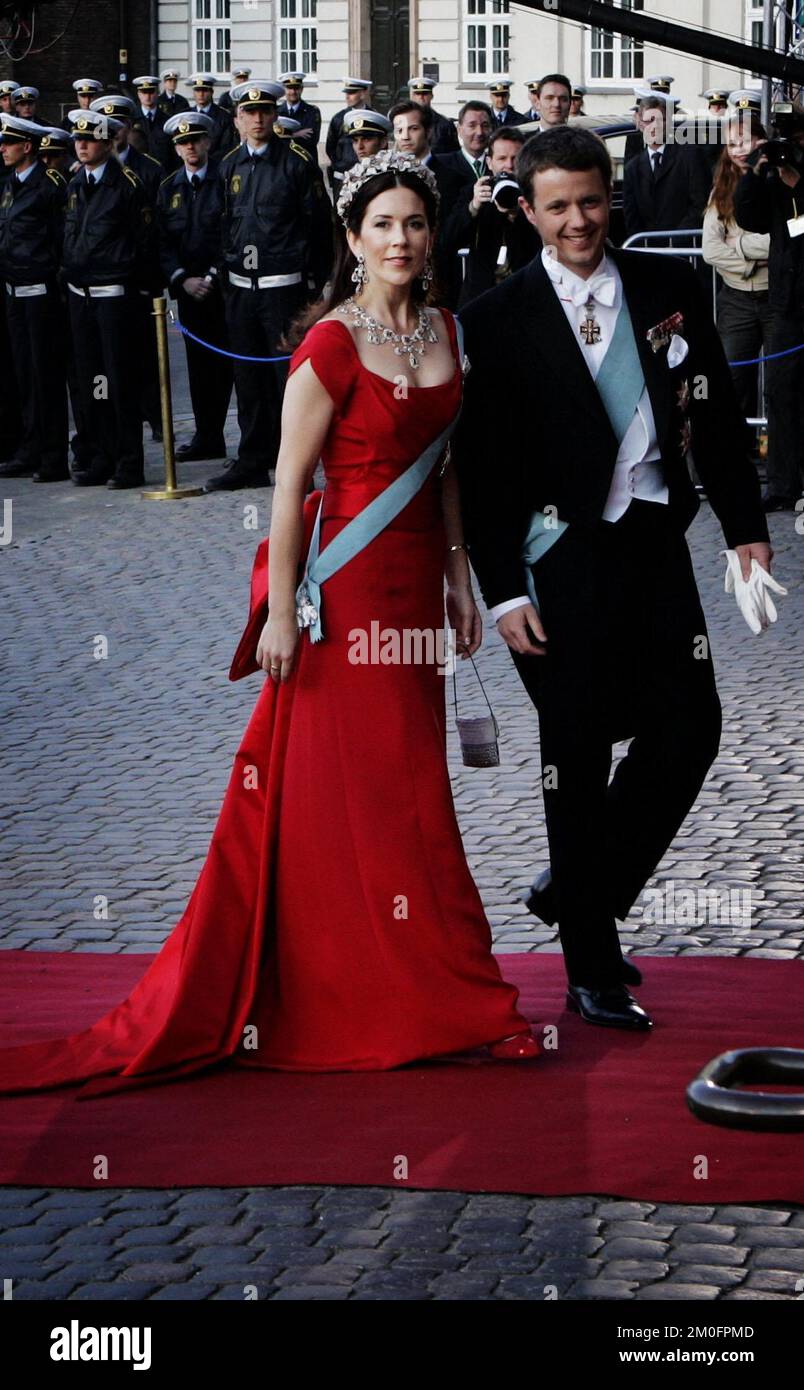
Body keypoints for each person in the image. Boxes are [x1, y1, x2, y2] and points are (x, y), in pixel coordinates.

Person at [0, 149, 538, 1101]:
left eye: (416, 223)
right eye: (384, 225)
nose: (403, 240)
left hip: (417, 584)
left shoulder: (451, 328)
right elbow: (290, 488)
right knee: (366, 789)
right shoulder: (328, 344)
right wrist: (286, 610)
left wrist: (461, 572)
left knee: (410, 784)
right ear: (352, 238)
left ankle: (426, 984)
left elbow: (449, 466)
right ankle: (399, 995)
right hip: (348, 590)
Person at [453, 127, 771, 1032]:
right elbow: (484, 474)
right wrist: (504, 590)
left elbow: (711, 418)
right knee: (577, 757)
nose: (577, 220)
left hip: (654, 547)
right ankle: (590, 964)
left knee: (691, 729)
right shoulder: (498, 315)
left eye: (590, 202)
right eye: (557, 206)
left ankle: (578, 888)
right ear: (529, 210)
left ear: (610, 199)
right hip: (561, 561)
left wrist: (746, 531)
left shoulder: (669, 290)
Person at [205, 80, 334, 492]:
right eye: (249, 113)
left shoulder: (296, 162)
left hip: (284, 286)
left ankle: (295, 462)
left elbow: (317, 226)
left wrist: (315, 285)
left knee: (288, 378)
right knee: (247, 376)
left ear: (275, 116)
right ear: (238, 119)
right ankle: (252, 458)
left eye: (264, 112)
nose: (258, 119)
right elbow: (222, 223)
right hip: (242, 288)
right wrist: (225, 274)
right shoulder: (228, 165)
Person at [62, 109, 158, 489]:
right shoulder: (75, 185)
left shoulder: (127, 185)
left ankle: (129, 460)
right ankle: (102, 454)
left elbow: (144, 242)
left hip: (116, 297)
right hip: (80, 296)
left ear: (106, 142)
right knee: (93, 381)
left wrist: (136, 287)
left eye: (89, 139)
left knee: (120, 380)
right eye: (77, 139)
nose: (81, 145)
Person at [734, 103, 804, 511]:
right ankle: (782, 484)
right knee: (780, 393)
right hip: (787, 301)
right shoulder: (772, 175)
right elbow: (750, 218)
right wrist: (755, 172)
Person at [157, 111, 232, 462]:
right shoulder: (169, 187)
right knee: (199, 368)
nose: (190, 147)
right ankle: (207, 436)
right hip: (189, 290)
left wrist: (214, 275)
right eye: (183, 142)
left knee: (234, 367)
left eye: (195, 140)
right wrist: (180, 278)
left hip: (226, 289)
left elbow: (233, 232)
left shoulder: (226, 178)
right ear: (176, 148)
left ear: (208, 142)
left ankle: (253, 443)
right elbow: (161, 240)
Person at [0, 114, 69, 482]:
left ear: (27, 146)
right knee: (23, 376)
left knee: (46, 377)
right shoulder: (10, 185)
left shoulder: (49, 186)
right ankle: (30, 447)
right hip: (13, 292)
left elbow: (61, 239)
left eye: (8, 144)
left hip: (41, 293)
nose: (3, 149)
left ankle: (52, 454)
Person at [702, 111, 772, 465]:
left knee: (781, 385)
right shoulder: (722, 188)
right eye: (732, 143)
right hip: (736, 299)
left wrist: (740, 246)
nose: (740, 149)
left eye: (746, 140)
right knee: (733, 378)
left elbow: (788, 240)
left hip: (778, 297)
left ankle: (783, 465)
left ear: (762, 139)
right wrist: (751, 258)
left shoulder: (781, 178)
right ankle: (734, 456)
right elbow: (711, 249)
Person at [437, 126, 540, 307]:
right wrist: (473, 207)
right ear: (489, 162)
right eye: (502, 158)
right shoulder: (474, 191)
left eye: (515, 159)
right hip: (480, 297)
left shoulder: (536, 196)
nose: (509, 165)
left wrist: (517, 213)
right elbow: (447, 241)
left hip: (526, 296)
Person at [623, 92, 711, 239]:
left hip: (683, 247)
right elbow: (631, 216)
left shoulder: (690, 156)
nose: (655, 126)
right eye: (649, 120)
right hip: (648, 249)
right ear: (640, 124)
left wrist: (674, 241)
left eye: (660, 120)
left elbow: (700, 206)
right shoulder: (632, 168)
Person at [431, 101, 492, 304]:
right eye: (472, 125)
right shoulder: (441, 165)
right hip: (453, 269)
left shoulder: (500, 164)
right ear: (459, 129)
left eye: (485, 125)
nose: (479, 132)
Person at [325, 76, 372, 193]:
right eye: (346, 92)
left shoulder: (373, 117)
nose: (347, 96)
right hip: (343, 175)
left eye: (352, 92)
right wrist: (340, 164)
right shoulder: (339, 118)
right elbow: (330, 146)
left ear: (363, 93)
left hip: (367, 174)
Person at [185, 73, 236, 160]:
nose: (201, 94)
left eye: (205, 91)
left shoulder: (224, 116)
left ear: (212, 92)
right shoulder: (186, 116)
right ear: (193, 93)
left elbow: (226, 147)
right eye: (197, 91)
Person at [407, 77, 458, 155]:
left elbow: (455, 154)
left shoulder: (445, 124)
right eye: (418, 94)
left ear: (431, 96)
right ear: (413, 96)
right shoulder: (405, 123)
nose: (421, 97)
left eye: (425, 94)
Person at [277, 71, 321, 159]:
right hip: (282, 162)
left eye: (296, 88)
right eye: (289, 88)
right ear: (284, 89)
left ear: (302, 89)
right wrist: (296, 134)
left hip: (305, 162)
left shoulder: (312, 111)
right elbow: (272, 138)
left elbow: (311, 139)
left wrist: (284, 134)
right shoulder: (276, 111)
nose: (293, 92)